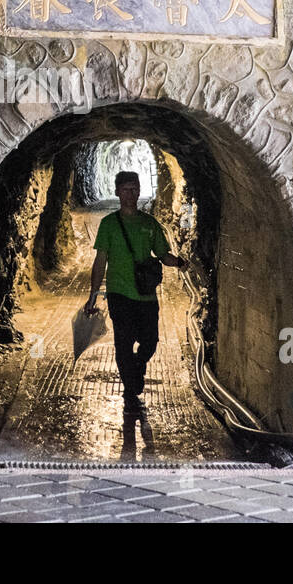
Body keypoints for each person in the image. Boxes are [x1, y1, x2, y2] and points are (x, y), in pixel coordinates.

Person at [83, 170, 187, 424]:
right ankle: (130, 392)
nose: (131, 195)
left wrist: (180, 262)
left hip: (146, 295)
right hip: (119, 293)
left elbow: (163, 254)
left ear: (139, 191)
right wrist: (93, 295)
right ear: (117, 192)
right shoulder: (109, 224)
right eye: (126, 189)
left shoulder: (149, 224)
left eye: (134, 189)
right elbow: (100, 262)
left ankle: (136, 370)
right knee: (123, 343)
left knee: (150, 342)